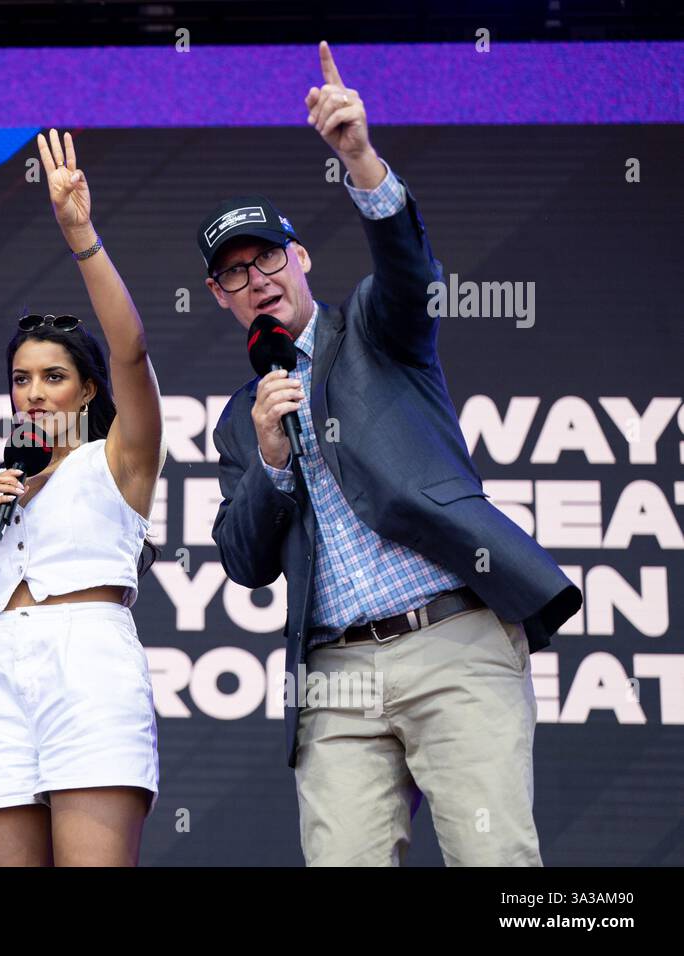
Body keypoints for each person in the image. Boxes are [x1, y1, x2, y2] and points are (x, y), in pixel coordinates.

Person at [203, 43, 581, 866]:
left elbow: (410, 273)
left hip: (452, 641)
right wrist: (270, 458)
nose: (257, 278)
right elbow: (242, 560)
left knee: (498, 866)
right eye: (235, 273)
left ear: (300, 256)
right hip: (335, 673)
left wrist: (359, 158)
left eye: (268, 255)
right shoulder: (240, 420)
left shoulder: (375, 328)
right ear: (219, 297)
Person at [0, 129, 166, 866]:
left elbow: (130, 349)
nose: (33, 392)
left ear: (88, 387)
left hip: (89, 668)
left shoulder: (119, 458)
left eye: (53, 376)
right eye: (21, 378)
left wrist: (81, 235)